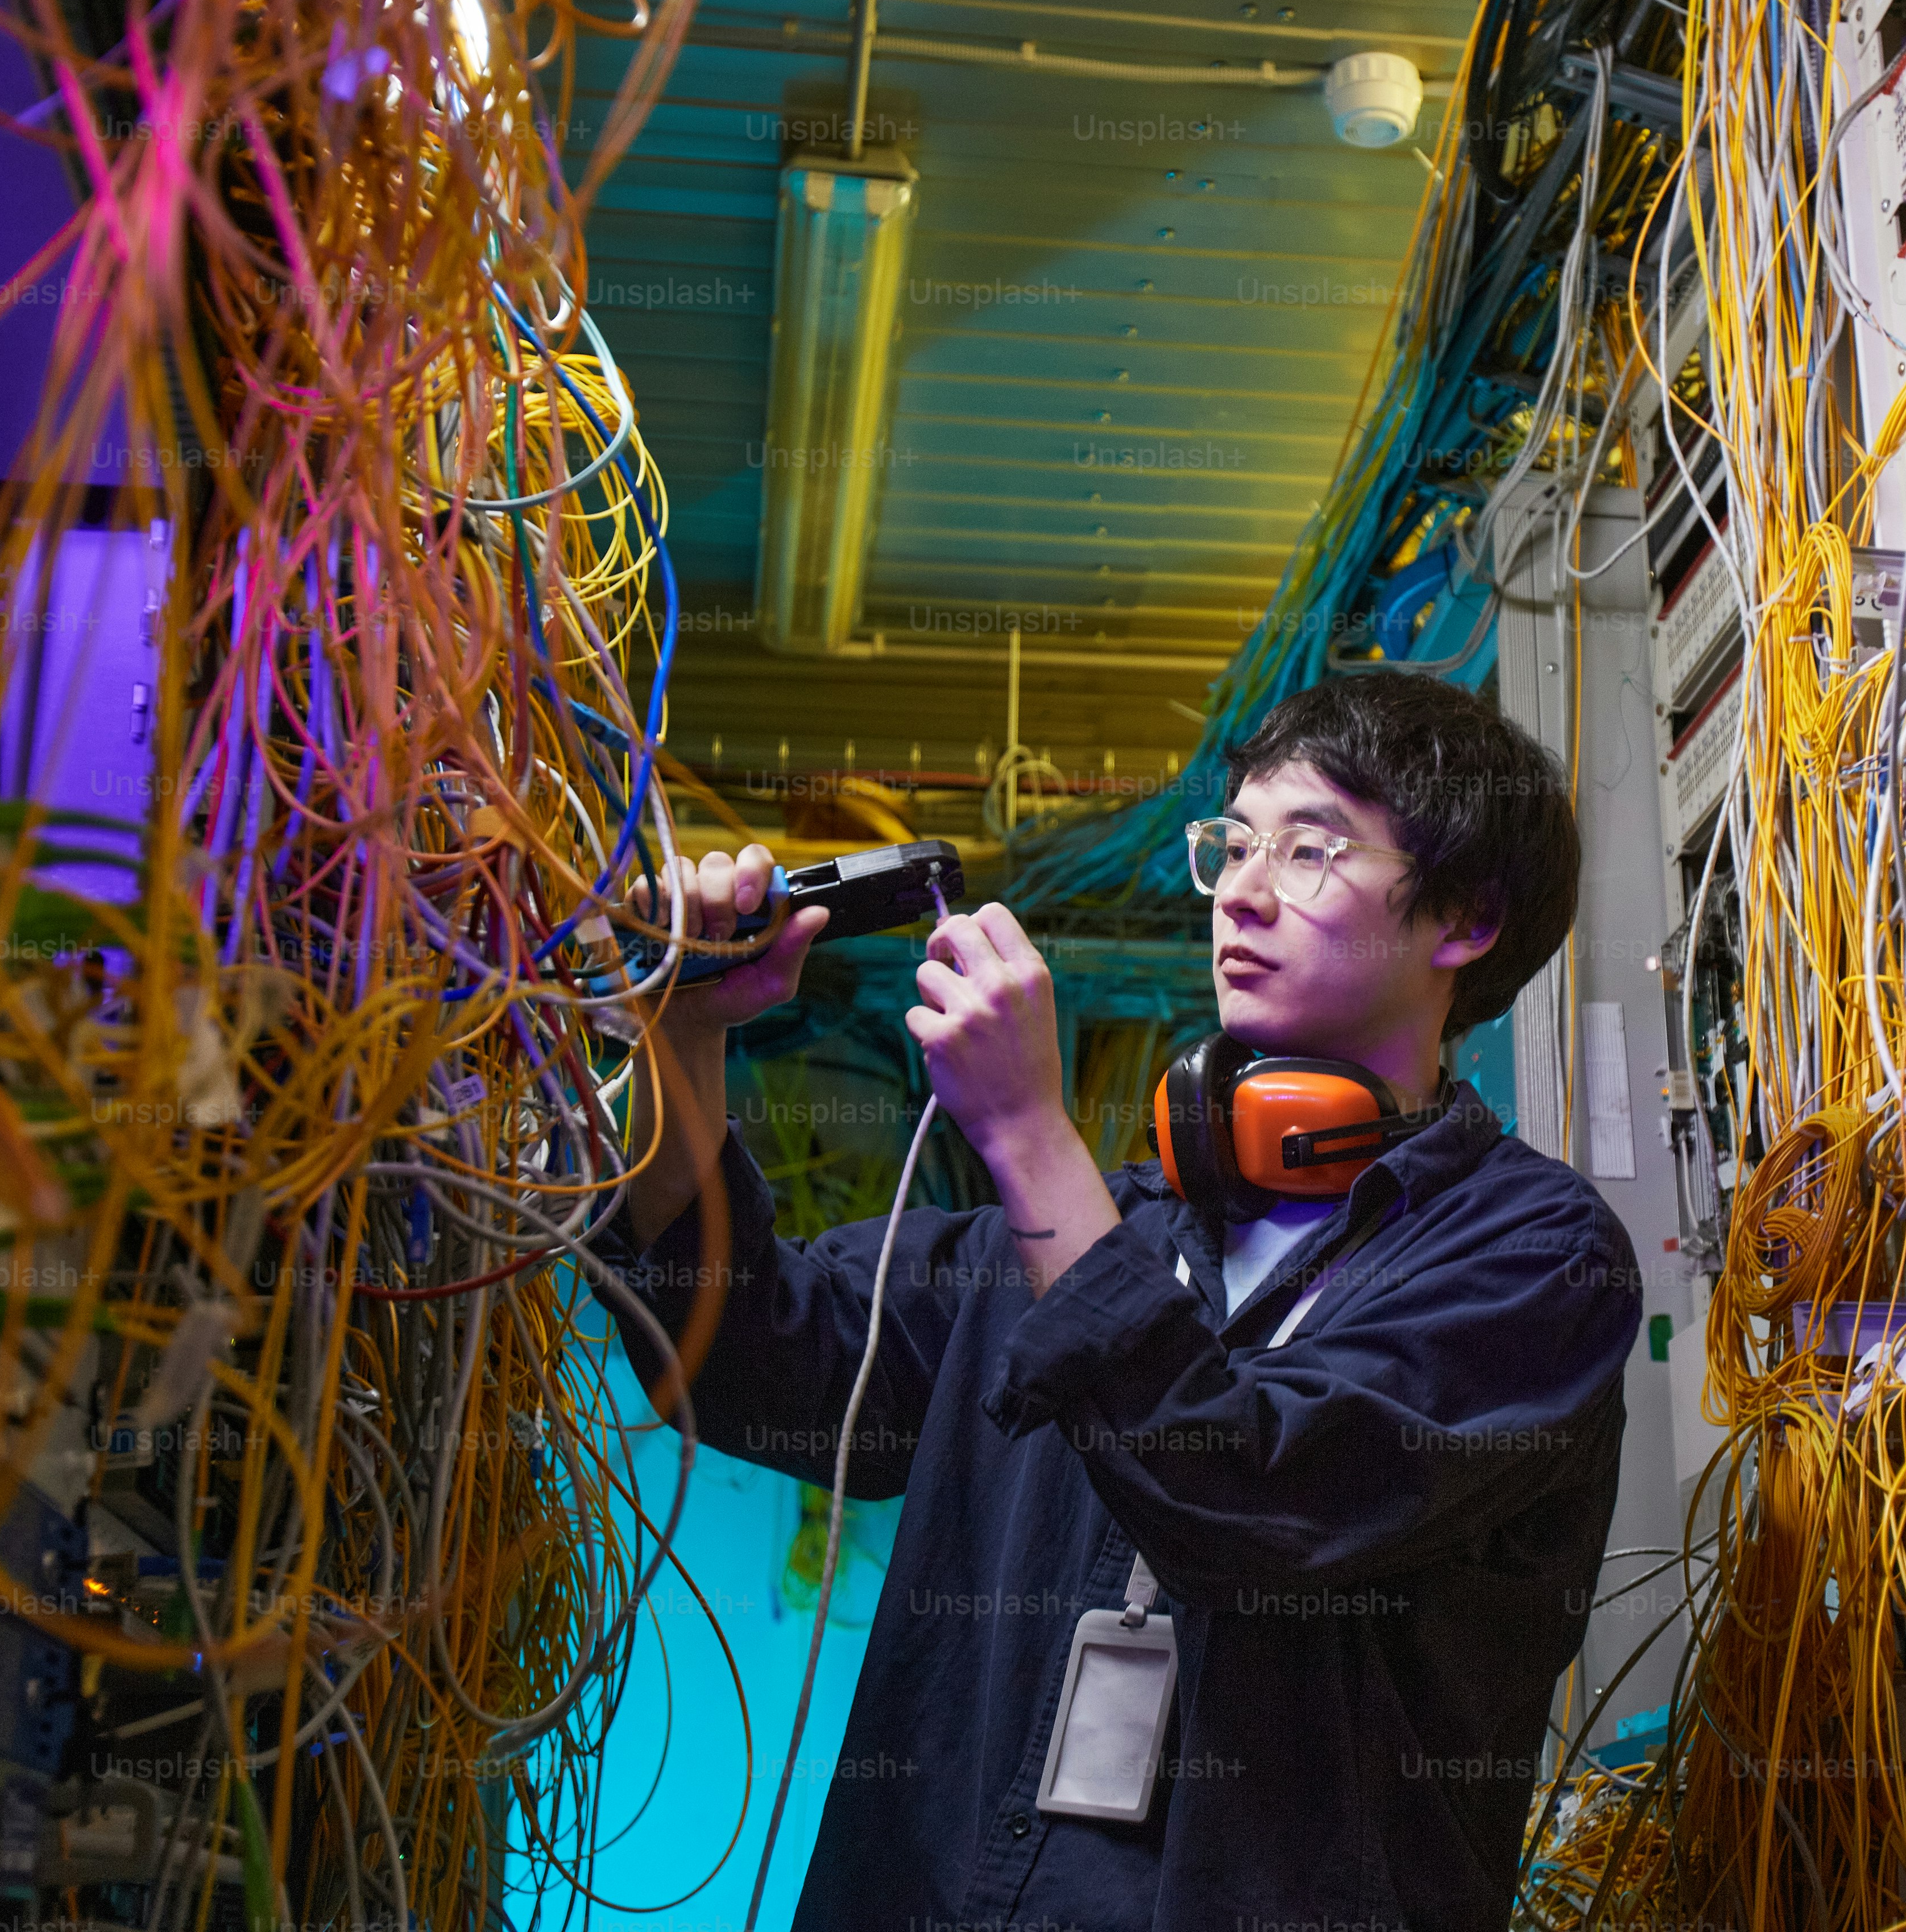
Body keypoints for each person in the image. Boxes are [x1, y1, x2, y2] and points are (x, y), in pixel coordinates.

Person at [585, 671, 1642, 1932]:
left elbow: (1246, 1500)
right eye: (1231, 846)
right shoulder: (1102, 1231)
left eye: (1311, 851)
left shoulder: (1535, 1260)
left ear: (1466, 918)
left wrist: (1029, 1131)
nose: (1241, 891)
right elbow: (745, 1355)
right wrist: (682, 1040)